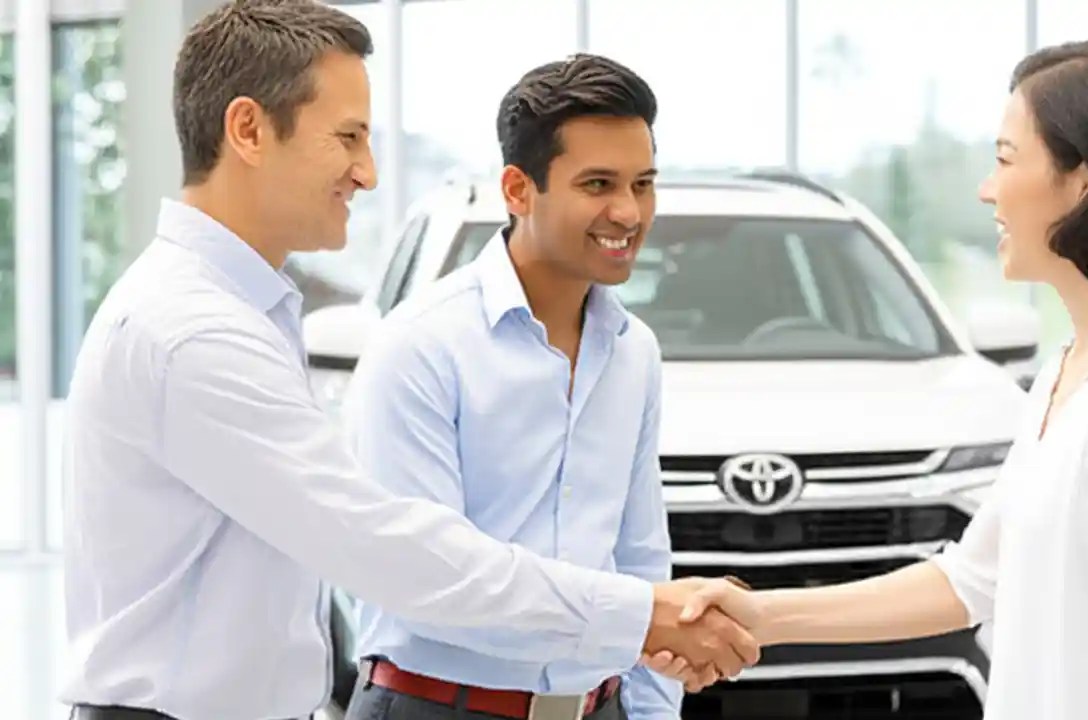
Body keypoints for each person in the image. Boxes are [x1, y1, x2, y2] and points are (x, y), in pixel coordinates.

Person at [58, 3, 756, 720]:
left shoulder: (236, 313)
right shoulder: (193, 333)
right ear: (248, 130)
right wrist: (641, 615)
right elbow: (390, 551)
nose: (367, 172)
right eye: (349, 137)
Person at [650, 39, 1088, 720]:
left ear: (1084, 182)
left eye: (1004, 158)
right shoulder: (1073, 368)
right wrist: (759, 615)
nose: (986, 187)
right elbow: (974, 578)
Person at [339, 53, 682, 720]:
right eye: (598, 184)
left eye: (642, 183)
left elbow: (641, 552)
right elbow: (433, 583)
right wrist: (647, 618)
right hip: (436, 708)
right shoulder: (421, 346)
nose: (628, 211)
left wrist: (650, 711)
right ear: (519, 190)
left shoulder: (633, 351)